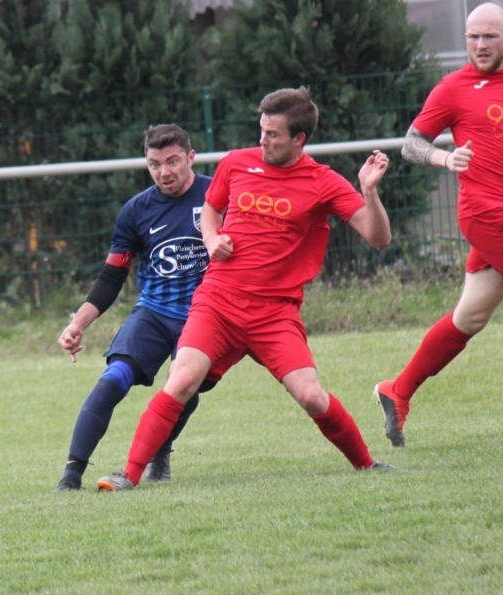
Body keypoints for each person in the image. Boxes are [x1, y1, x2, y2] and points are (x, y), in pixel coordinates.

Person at [96, 87, 394, 492]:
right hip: (217, 301)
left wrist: (370, 191)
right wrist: (211, 239)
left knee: (311, 396)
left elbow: (378, 237)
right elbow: (211, 210)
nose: (263, 140)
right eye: (261, 130)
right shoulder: (237, 163)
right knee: (182, 379)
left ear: (299, 139)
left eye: (273, 134)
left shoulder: (323, 182)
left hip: (274, 313)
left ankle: (366, 463)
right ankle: (128, 475)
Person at [375, 2, 503, 447]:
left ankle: (397, 391)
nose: (479, 45)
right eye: (472, 37)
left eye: (489, 36)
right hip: (488, 212)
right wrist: (444, 157)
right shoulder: (452, 89)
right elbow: (412, 145)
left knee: (469, 317)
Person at [56, 124, 217, 491]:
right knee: (112, 380)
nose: (165, 172)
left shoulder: (217, 194)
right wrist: (78, 323)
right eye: (155, 164)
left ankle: (160, 453)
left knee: (184, 385)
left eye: (173, 161)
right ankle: (71, 474)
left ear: (191, 158)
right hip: (154, 313)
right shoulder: (136, 211)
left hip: (207, 316)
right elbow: (112, 277)